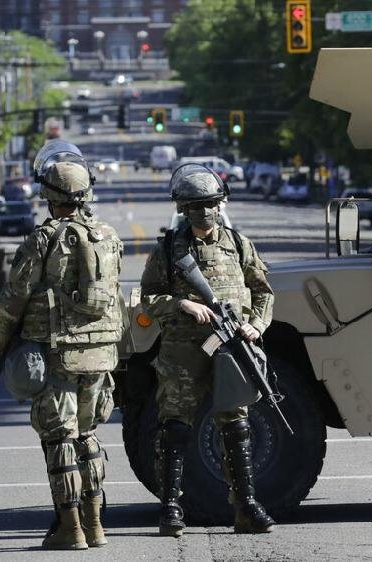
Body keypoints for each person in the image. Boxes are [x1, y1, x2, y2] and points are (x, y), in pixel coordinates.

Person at [0, 141, 124, 551]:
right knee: (88, 435)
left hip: (57, 351)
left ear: (49, 196)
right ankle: (96, 525)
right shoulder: (108, 236)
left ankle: (71, 528)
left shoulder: (43, 239)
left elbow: (14, 298)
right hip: (101, 353)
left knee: (60, 437)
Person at [139, 163, 276, 537]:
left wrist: (256, 325)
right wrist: (182, 305)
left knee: (236, 424)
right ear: (183, 209)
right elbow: (145, 298)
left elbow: (262, 291)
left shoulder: (239, 244)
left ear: (221, 204)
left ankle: (246, 506)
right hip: (183, 351)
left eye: (211, 204)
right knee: (175, 427)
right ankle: (170, 508)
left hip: (229, 347)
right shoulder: (168, 249)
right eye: (196, 206)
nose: (204, 212)